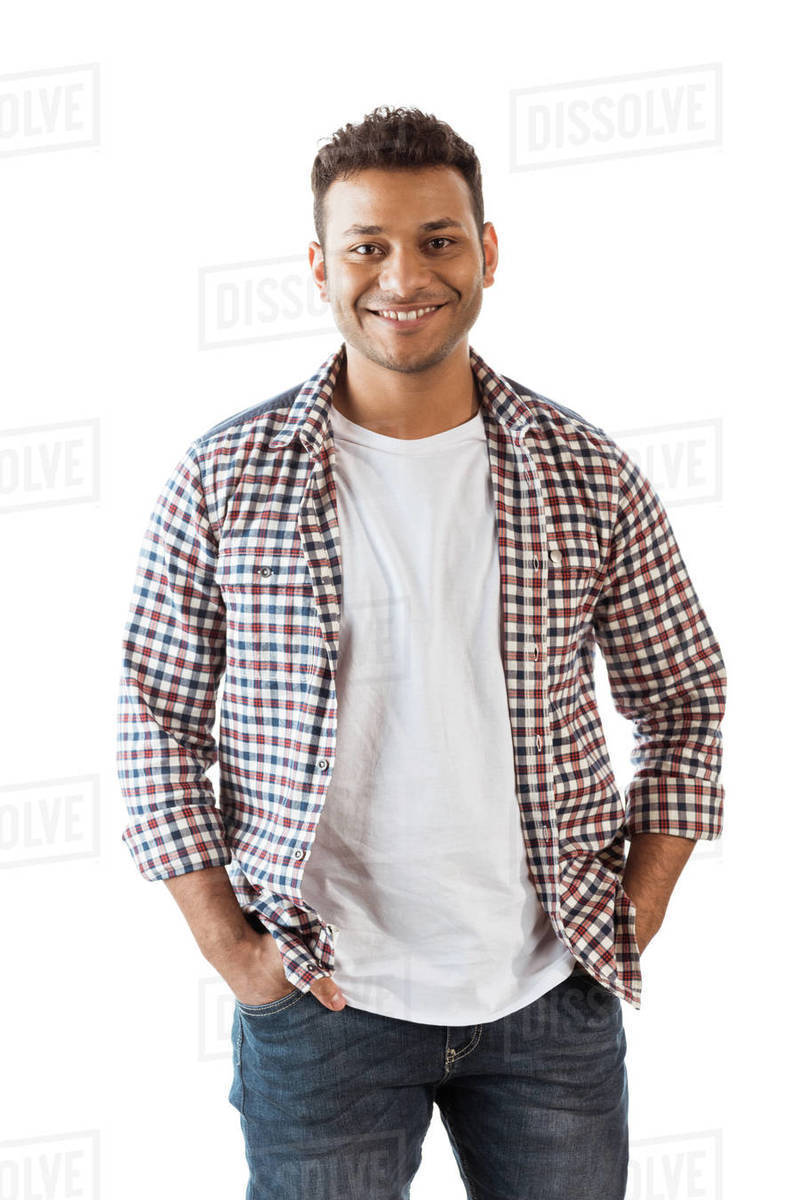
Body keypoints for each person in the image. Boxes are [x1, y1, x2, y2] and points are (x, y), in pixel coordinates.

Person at [117, 105, 726, 1200]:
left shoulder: (588, 473)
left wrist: (636, 909)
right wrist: (237, 957)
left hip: (550, 995)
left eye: (439, 239)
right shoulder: (226, 479)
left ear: (487, 251)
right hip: (322, 999)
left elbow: (683, 696)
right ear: (319, 267)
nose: (404, 275)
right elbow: (154, 721)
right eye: (368, 246)